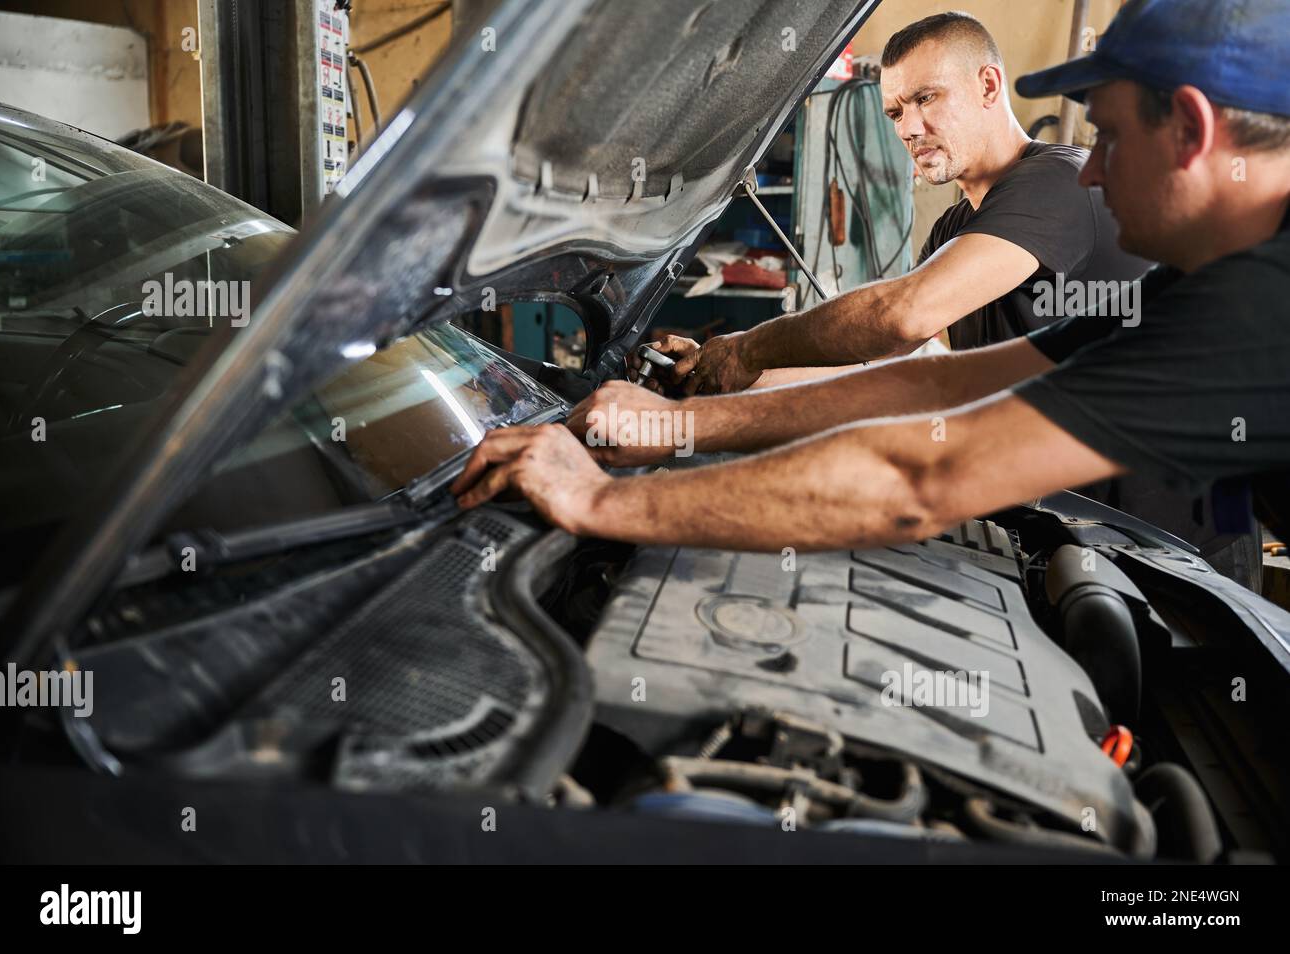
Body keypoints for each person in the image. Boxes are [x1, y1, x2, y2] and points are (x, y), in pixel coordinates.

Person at [450, 0, 1290, 566]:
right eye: (895, 111)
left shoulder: (1251, 300)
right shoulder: (1191, 289)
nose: (1095, 171)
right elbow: (935, 381)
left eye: (1106, 137)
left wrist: (598, 502)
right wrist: (683, 421)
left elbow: (921, 461)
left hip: (1178, 604)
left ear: (1189, 127)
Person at [643, 11, 1147, 397]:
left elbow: (903, 315)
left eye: (926, 98)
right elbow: (895, 355)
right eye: (895, 112)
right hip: (1055, 503)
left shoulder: (1063, 178)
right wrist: (723, 370)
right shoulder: (956, 227)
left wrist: (747, 349)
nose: (907, 129)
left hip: (1156, 523)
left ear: (988, 85)